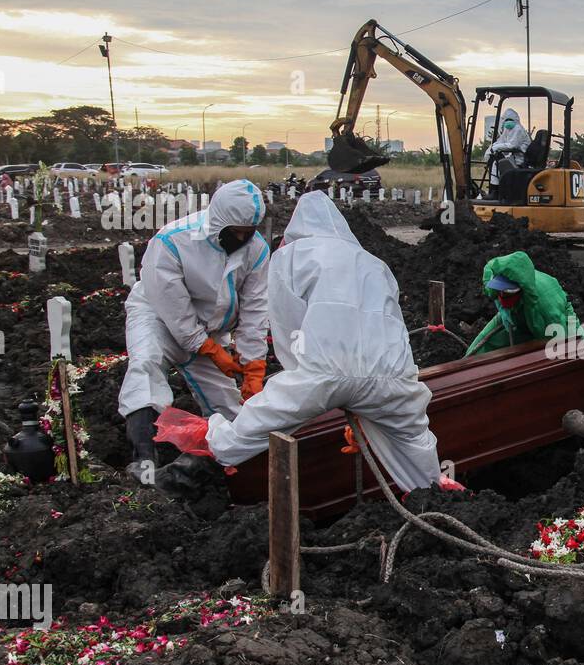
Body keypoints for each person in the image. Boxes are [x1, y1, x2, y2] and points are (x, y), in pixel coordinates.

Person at [204, 191, 444, 492]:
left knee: (248, 430)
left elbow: (287, 323)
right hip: (392, 375)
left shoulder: (291, 257)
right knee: (415, 444)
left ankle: (208, 459)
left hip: (324, 372)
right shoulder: (373, 263)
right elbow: (391, 322)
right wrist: (370, 397)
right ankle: (435, 498)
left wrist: (300, 376)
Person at [118, 178, 270, 484]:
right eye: (235, 231)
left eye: (248, 232)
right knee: (146, 365)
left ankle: (231, 470)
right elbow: (172, 305)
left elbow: (255, 310)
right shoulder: (173, 240)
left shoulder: (257, 251)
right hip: (157, 316)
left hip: (209, 330)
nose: (241, 238)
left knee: (228, 405)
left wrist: (253, 364)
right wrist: (209, 349)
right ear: (218, 222)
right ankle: (144, 459)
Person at [465, 251, 581, 356]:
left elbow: (556, 344)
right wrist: (506, 315)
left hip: (554, 320)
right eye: (500, 292)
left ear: (522, 290)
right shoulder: (497, 283)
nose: (502, 297)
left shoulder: (545, 309)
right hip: (517, 312)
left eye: (508, 293)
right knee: (482, 344)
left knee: (573, 351)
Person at [486, 108, 531, 196]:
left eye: (510, 120)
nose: (508, 122)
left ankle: (494, 192)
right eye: (506, 120)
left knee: (496, 164)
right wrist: (490, 149)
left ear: (515, 120)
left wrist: (496, 148)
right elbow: (501, 141)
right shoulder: (508, 129)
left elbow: (512, 145)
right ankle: (497, 191)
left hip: (520, 159)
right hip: (514, 156)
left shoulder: (518, 129)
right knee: (493, 160)